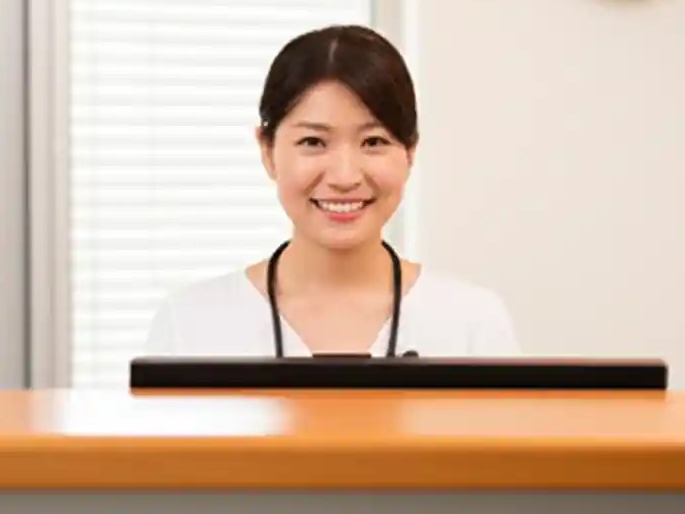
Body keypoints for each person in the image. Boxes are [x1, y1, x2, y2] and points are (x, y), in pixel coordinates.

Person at [144, 24, 519, 357]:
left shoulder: (473, 325)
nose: (344, 176)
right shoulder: (190, 324)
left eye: (373, 142)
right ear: (267, 151)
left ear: (410, 152)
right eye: (313, 141)